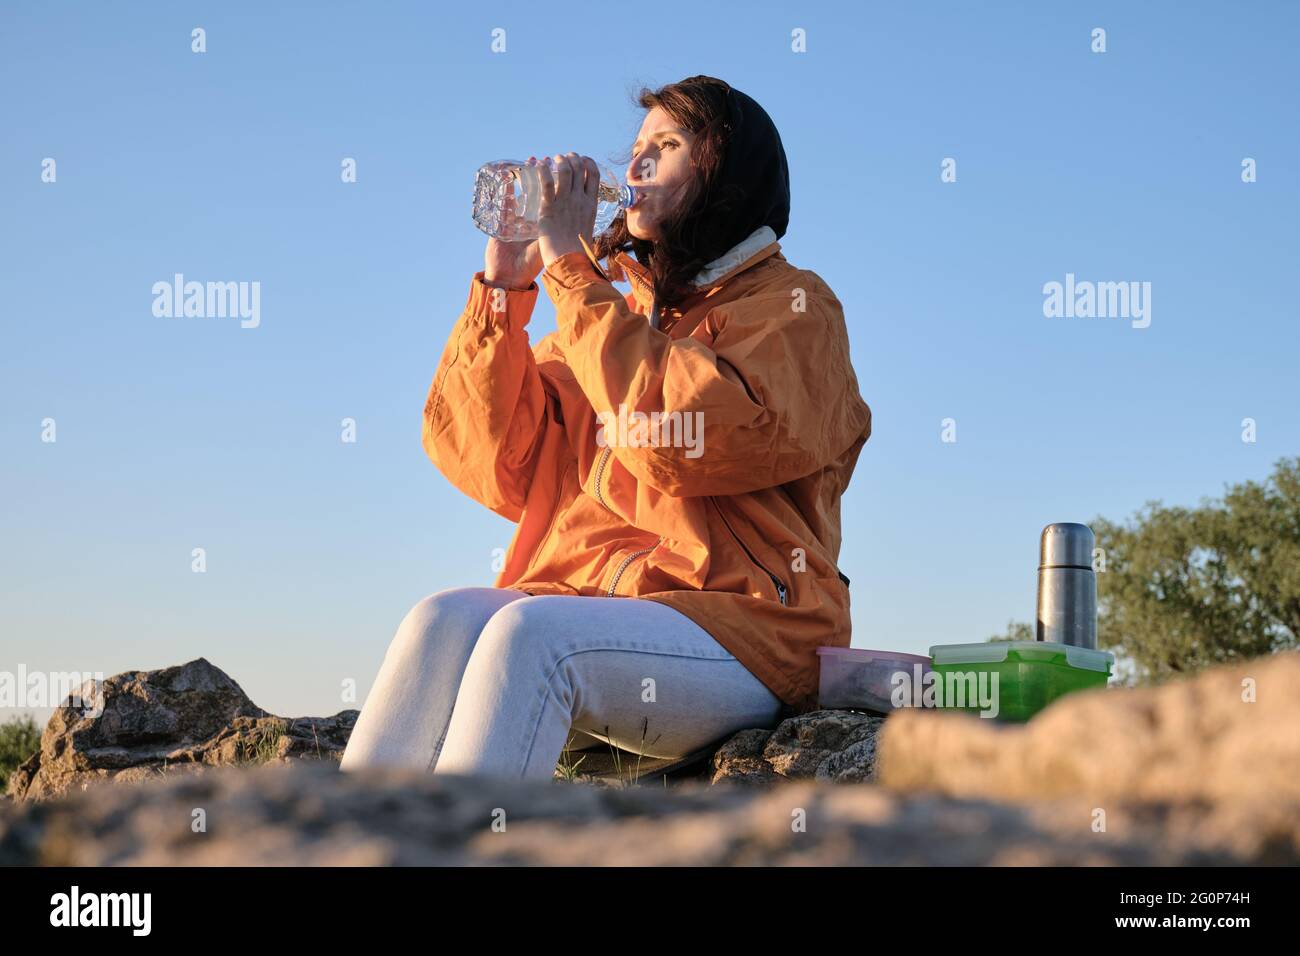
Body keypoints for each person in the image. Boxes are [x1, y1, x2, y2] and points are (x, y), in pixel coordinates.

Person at [339, 75, 872, 782]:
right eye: (637, 147)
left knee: (531, 639)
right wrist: (505, 288)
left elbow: (673, 440)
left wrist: (570, 273)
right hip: (601, 605)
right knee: (438, 619)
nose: (636, 167)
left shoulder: (796, 308)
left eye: (669, 144)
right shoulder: (609, 315)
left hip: (749, 628)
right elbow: (493, 461)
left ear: (725, 173)